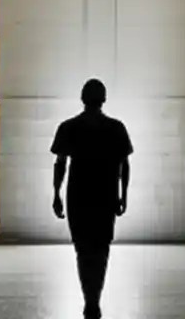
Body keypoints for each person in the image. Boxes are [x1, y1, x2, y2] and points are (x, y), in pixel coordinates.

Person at [51, 78, 133, 319]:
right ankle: (95, 299)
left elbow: (60, 163)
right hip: (105, 194)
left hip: (78, 195)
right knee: (101, 249)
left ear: (82, 99)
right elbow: (124, 165)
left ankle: (89, 300)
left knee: (82, 249)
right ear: (104, 99)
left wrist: (56, 194)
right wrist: (123, 196)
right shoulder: (116, 128)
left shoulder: (69, 127)